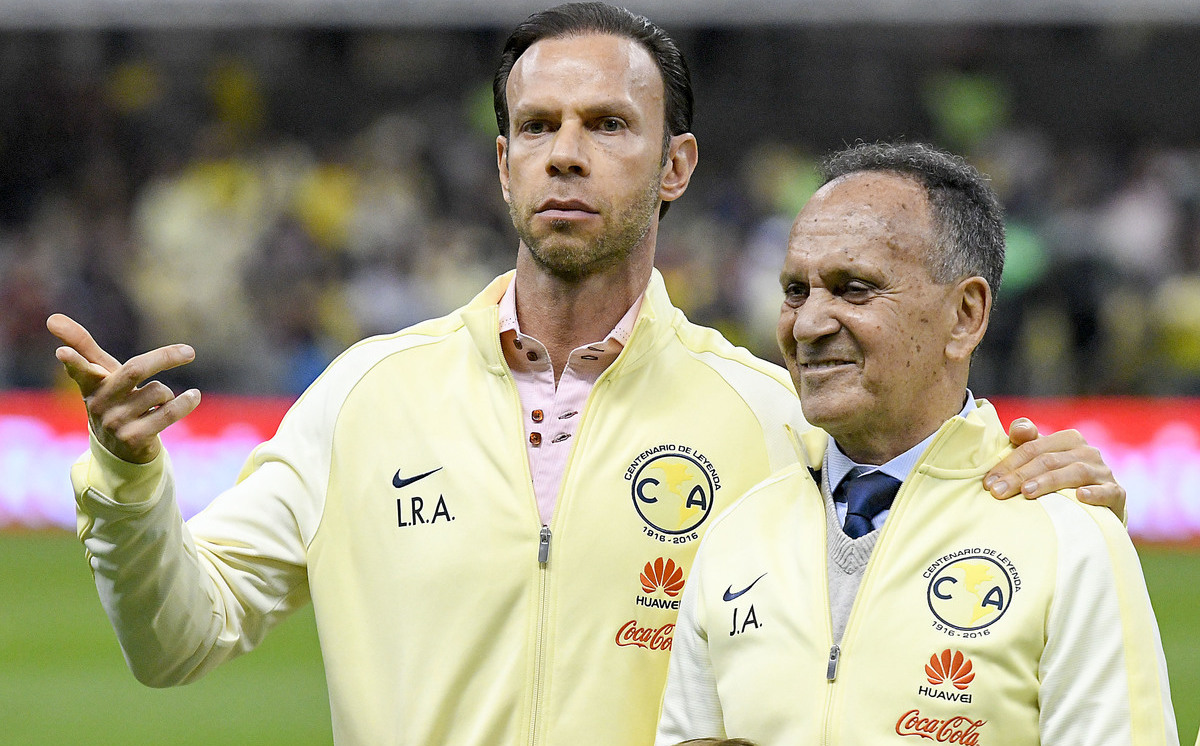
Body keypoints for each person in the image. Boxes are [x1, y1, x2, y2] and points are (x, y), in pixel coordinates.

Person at [49, 6, 1125, 745]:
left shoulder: (771, 413)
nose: (566, 151)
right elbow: (176, 639)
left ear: (675, 167)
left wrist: (1054, 485)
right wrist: (132, 485)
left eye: (608, 124)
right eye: (537, 126)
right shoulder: (364, 396)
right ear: (502, 165)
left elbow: (934, 547)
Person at [655, 142, 1177, 746]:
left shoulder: (1069, 540)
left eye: (854, 289)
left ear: (965, 315)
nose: (807, 324)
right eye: (796, 290)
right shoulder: (735, 536)